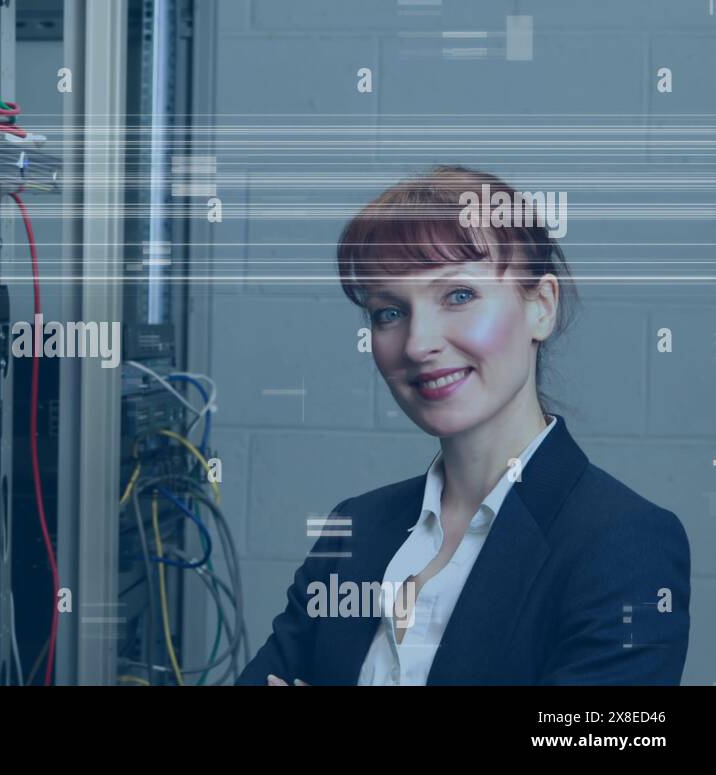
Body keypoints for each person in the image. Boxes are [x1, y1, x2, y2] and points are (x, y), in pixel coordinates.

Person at [238, 166, 691, 685]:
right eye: (389, 312)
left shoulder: (625, 543)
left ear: (540, 307)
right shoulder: (356, 527)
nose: (417, 343)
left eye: (457, 296)